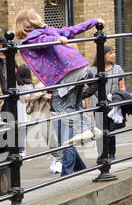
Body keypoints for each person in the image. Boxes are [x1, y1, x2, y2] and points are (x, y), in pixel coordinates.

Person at [13, 9, 102, 175]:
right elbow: (71, 30)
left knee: (58, 105)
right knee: (72, 105)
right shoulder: (48, 29)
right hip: (79, 67)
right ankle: (90, 129)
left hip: (68, 72)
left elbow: (45, 40)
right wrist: (93, 21)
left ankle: (85, 130)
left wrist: (56, 40)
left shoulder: (35, 36)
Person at [18, 65, 51, 153]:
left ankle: (19, 151)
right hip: (24, 108)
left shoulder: (15, 84)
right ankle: (22, 151)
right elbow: (26, 98)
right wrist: (38, 95)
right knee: (23, 130)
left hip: (17, 108)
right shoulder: (29, 84)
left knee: (18, 130)